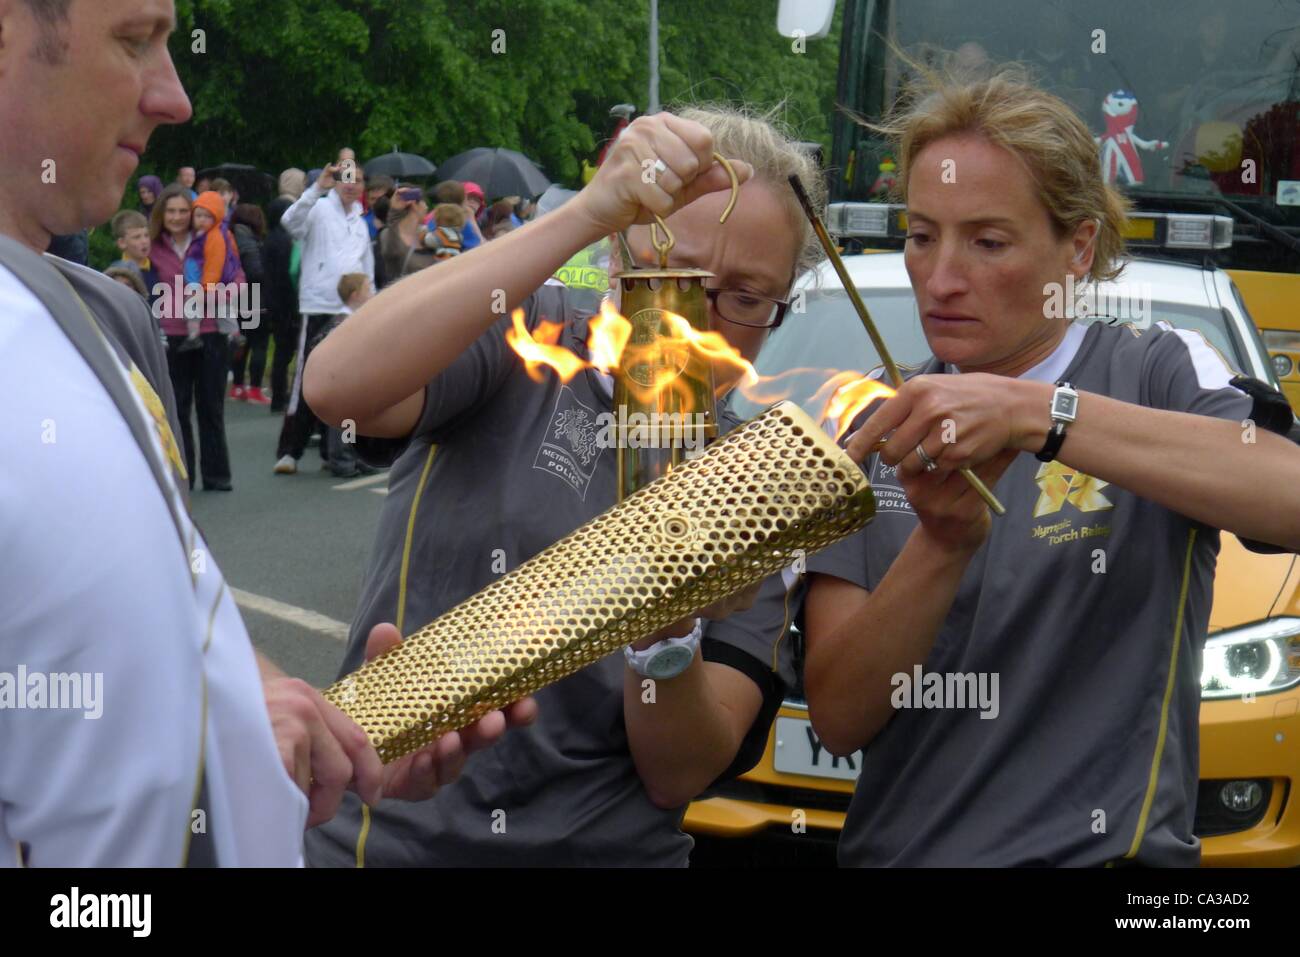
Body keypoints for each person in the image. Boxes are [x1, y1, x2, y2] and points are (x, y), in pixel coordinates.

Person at [0, 0, 527, 867]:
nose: (175, 97)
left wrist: (304, 724)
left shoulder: (100, 316)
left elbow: (182, 610)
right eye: (134, 40)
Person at [801, 64, 1300, 868]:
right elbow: (838, 717)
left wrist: (1041, 414)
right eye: (921, 236)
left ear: (1078, 248)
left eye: (988, 241)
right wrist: (942, 544)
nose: (942, 277)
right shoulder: (877, 424)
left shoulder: (1157, 367)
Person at [303, 105, 825, 867]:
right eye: (673, 275)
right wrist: (586, 211)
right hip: (388, 841)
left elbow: (678, 771)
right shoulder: (528, 334)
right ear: (620, 254)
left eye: (746, 297)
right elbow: (334, 387)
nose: (697, 324)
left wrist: (667, 624)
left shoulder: (755, 479)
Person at [273, 159, 374, 475]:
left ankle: (341, 453)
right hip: (320, 307)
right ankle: (290, 451)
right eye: (346, 178)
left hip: (351, 312)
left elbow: (366, 266)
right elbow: (290, 221)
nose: (351, 185)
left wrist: (372, 303)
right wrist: (317, 188)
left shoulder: (360, 221)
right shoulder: (318, 208)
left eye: (357, 180)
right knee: (308, 379)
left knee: (347, 384)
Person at [174, 190, 238, 489]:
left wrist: (209, 291)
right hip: (174, 329)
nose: (195, 219)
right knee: (179, 406)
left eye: (203, 215)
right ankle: (183, 474)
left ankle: (216, 474)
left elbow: (225, 270)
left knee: (210, 406)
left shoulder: (215, 237)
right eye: (196, 214)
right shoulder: (161, 243)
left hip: (210, 322)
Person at [229, 202, 270, 404]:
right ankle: (255, 388)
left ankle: (237, 386)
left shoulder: (231, 238)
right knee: (259, 344)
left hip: (236, 298)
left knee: (241, 343)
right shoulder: (250, 242)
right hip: (255, 298)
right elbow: (256, 272)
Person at [110, 208, 158, 305]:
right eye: (137, 237)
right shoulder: (117, 273)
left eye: (146, 235)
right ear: (122, 243)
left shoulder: (157, 267)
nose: (144, 241)